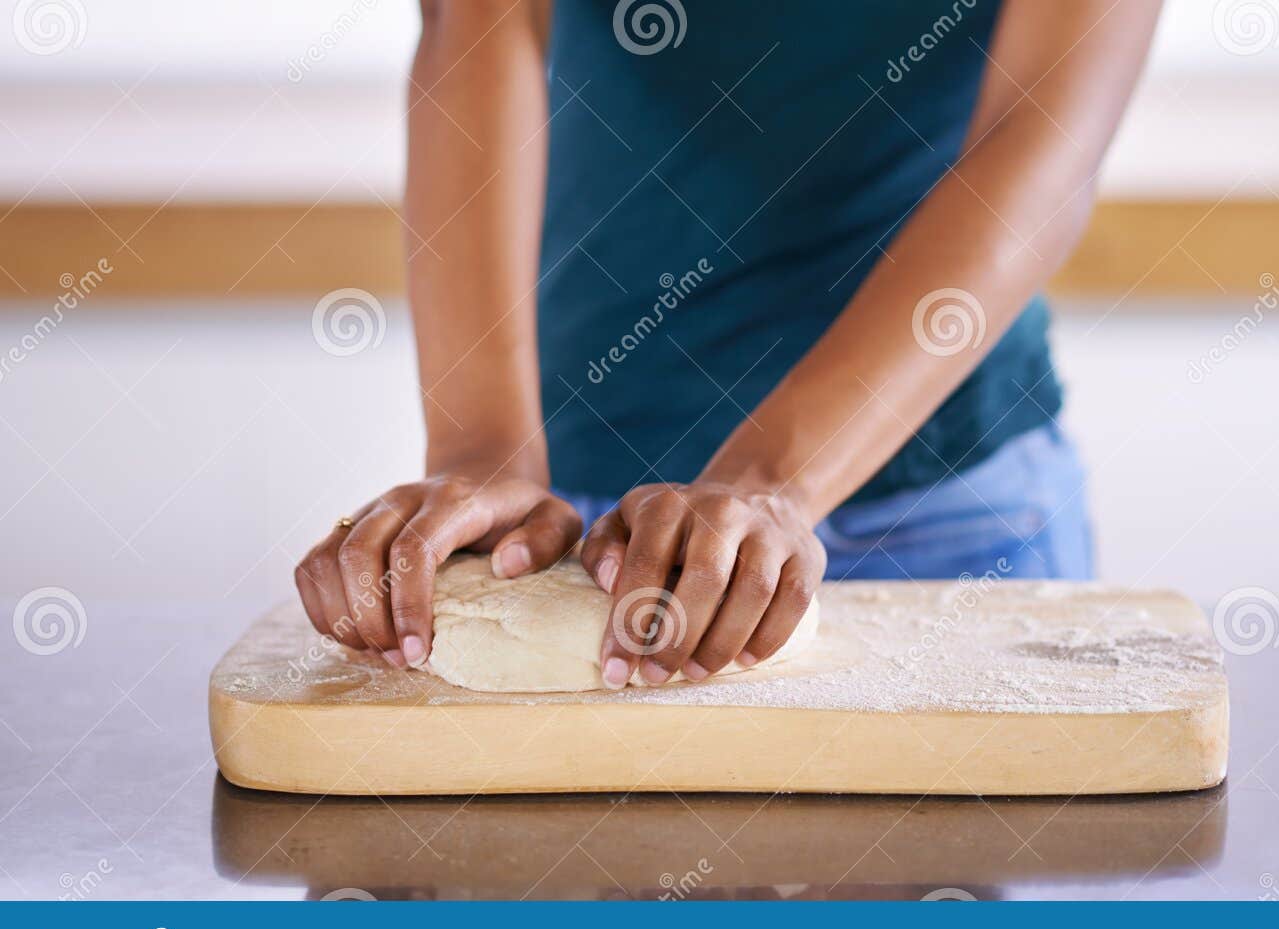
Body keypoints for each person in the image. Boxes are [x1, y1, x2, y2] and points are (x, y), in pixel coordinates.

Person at [295, 0, 1162, 690]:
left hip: (945, 509)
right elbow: (479, 15)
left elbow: (1044, 129)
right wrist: (481, 444)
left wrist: (772, 482)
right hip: (585, 517)